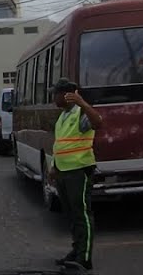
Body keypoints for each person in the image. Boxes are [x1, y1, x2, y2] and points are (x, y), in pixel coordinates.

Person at [49, 78, 103, 272]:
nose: (53, 97)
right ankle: (76, 251)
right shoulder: (62, 116)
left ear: (67, 95)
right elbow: (61, 145)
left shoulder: (81, 112)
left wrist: (83, 103)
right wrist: (54, 167)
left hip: (79, 170)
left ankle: (84, 258)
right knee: (71, 215)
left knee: (82, 214)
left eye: (55, 93)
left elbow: (98, 122)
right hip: (64, 171)